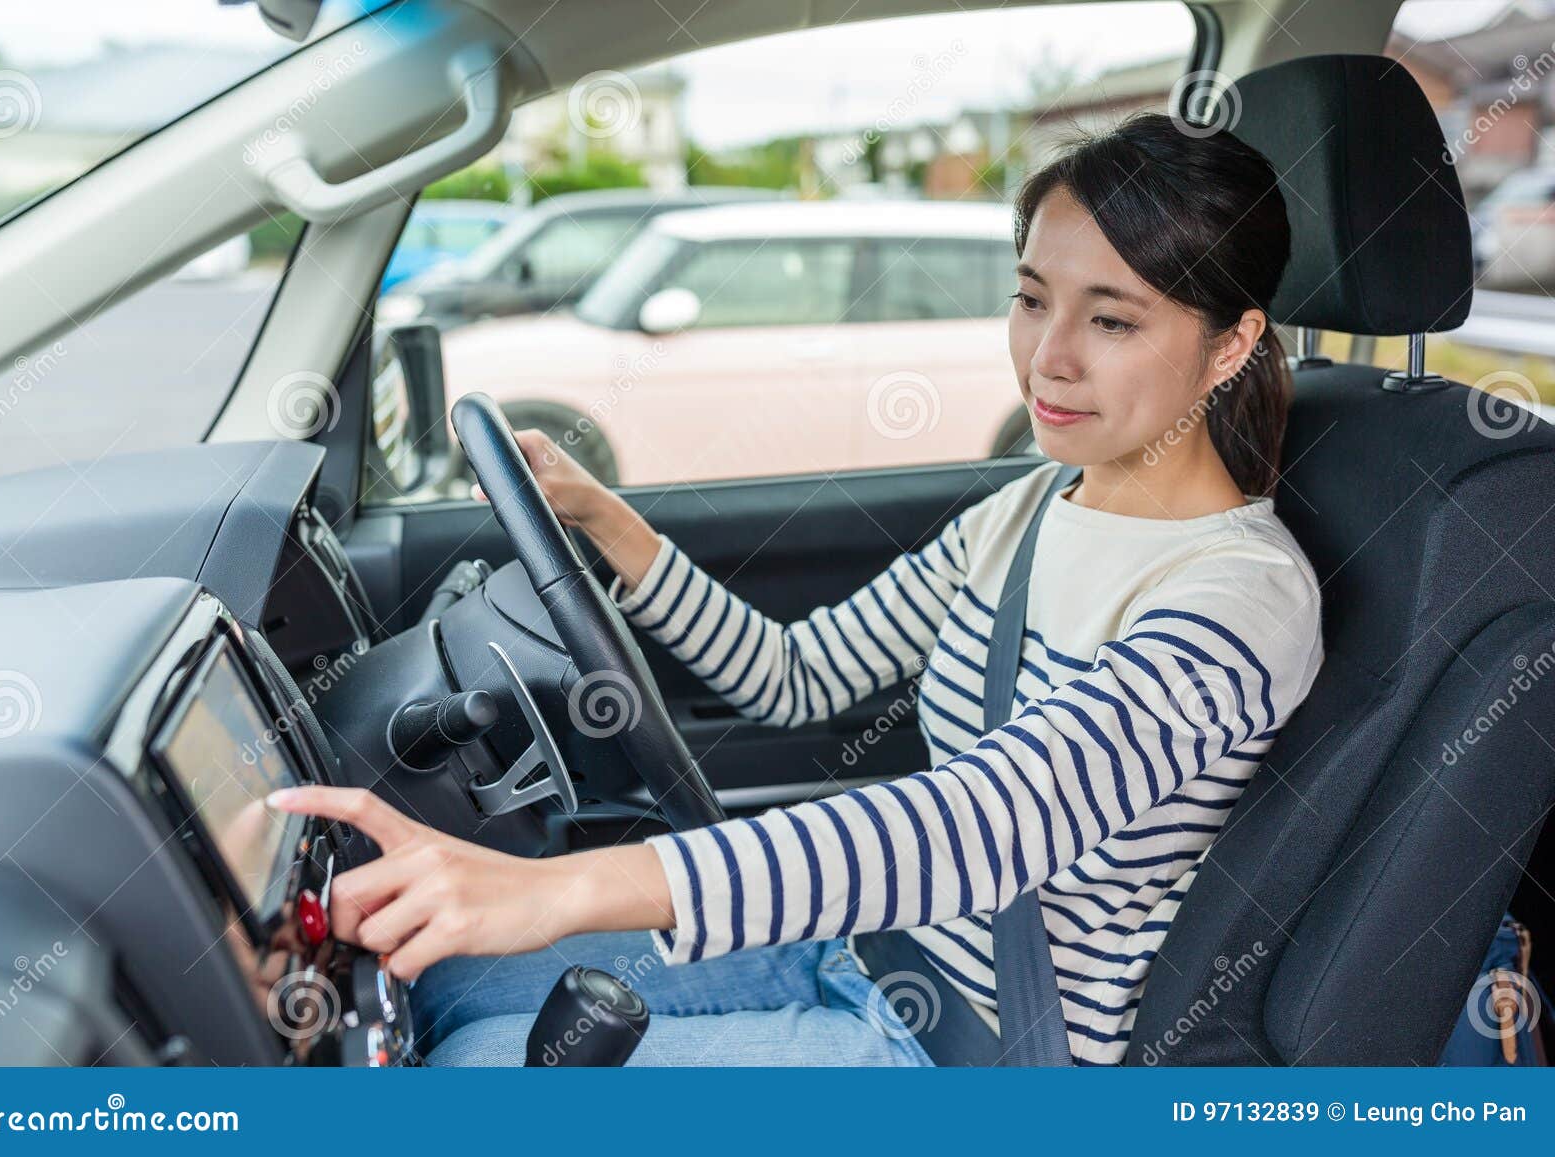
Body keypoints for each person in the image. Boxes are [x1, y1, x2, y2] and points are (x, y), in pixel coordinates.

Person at [269, 110, 1325, 1067]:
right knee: (437, 980)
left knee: (469, 1072)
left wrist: (556, 887)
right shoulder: (1034, 508)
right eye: (1031, 299)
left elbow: (986, 825)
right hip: (866, 946)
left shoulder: (1239, 600)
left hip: (983, 1051)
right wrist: (603, 520)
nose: (1047, 359)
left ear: (1229, 343)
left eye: (1111, 320)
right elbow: (798, 675)